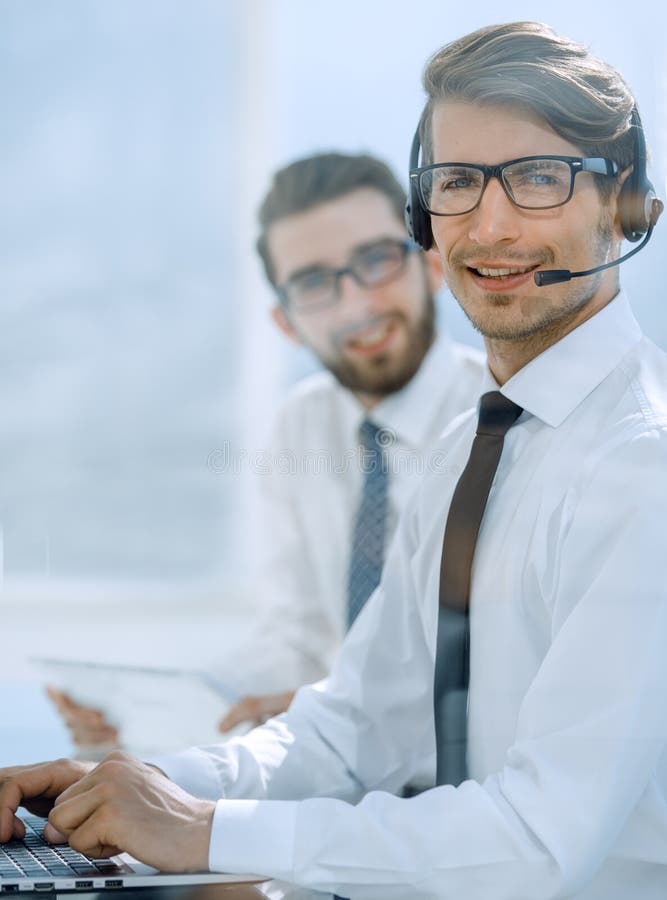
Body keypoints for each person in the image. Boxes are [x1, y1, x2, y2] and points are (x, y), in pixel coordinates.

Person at [2, 20, 666, 899]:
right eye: (458, 183)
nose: (490, 225)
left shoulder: (640, 465)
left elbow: (539, 841)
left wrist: (205, 831)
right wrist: (135, 786)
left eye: (539, 178)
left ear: (623, 204)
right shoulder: (476, 441)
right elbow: (349, 729)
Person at [47, 151, 484, 749]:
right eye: (314, 283)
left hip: (459, 779)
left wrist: (335, 709)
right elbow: (300, 637)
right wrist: (160, 707)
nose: (356, 305)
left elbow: (507, 672)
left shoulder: (506, 419)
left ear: (430, 266)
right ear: (286, 322)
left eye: (376, 260)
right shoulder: (301, 425)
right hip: (330, 776)